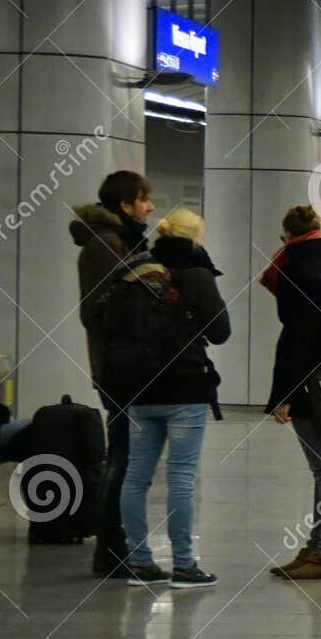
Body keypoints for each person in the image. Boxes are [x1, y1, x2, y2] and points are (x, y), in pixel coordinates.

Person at [117, 209, 230, 588]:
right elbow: (221, 332)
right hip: (185, 386)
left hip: (140, 387)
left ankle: (139, 561)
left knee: (136, 476)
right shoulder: (197, 276)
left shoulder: (138, 272)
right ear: (196, 239)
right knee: (181, 477)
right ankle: (184, 564)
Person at [70, 170, 155, 578]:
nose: (150, 207)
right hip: (118, 368)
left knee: (125, 453)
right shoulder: (108, 245)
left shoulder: (112, 242)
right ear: (125, 205)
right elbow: (105, 309)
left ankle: (115, 545)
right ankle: (111, 547)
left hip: (118, 365)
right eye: (144, 200)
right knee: (122, 456)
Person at [266, 205, 321, 581]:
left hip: (307, 380)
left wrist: (283, 394)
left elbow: (297, 338)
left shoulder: (297, 272)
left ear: (289, 236)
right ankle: (318, 546)